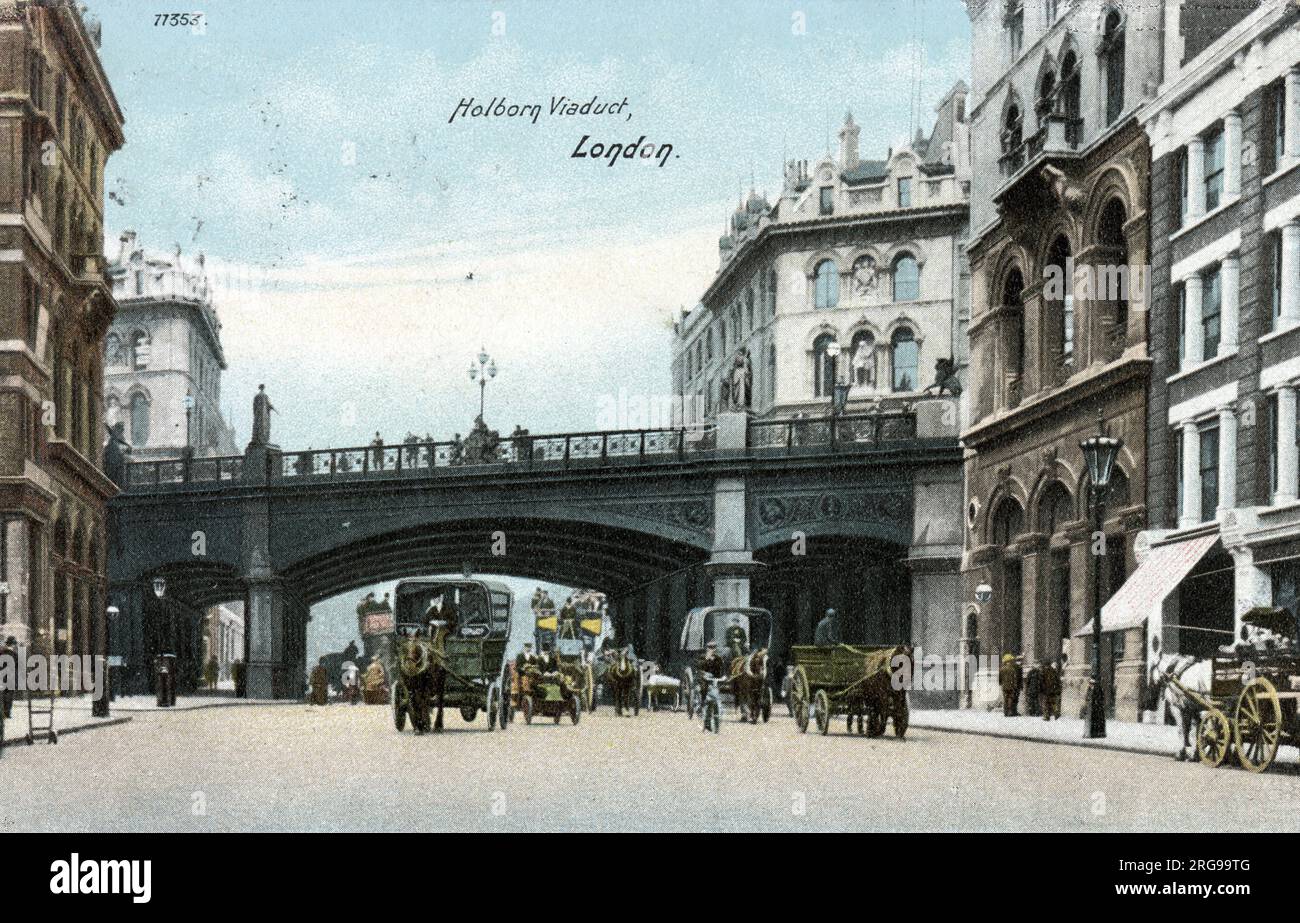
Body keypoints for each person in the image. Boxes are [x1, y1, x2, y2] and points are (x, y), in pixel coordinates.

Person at [998, 653, 1021, 717]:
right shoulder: (1012, 669)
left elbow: (999, 678)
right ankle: (1010, 711)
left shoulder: (1002, 669)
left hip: (1004, 687)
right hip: (1011, 686)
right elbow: (1015, 678)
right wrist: (1015, 685)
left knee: (1005, 699)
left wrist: (1000, 683)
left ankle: (1005, 712)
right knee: (1010, 699)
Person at [1, 636, 16, 719]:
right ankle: (7, 713)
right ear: (13, 645)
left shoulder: (1, 653)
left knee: (2, 696)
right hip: (10, 678)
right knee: (9, 696)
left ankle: (2, 712)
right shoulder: (14, 654)